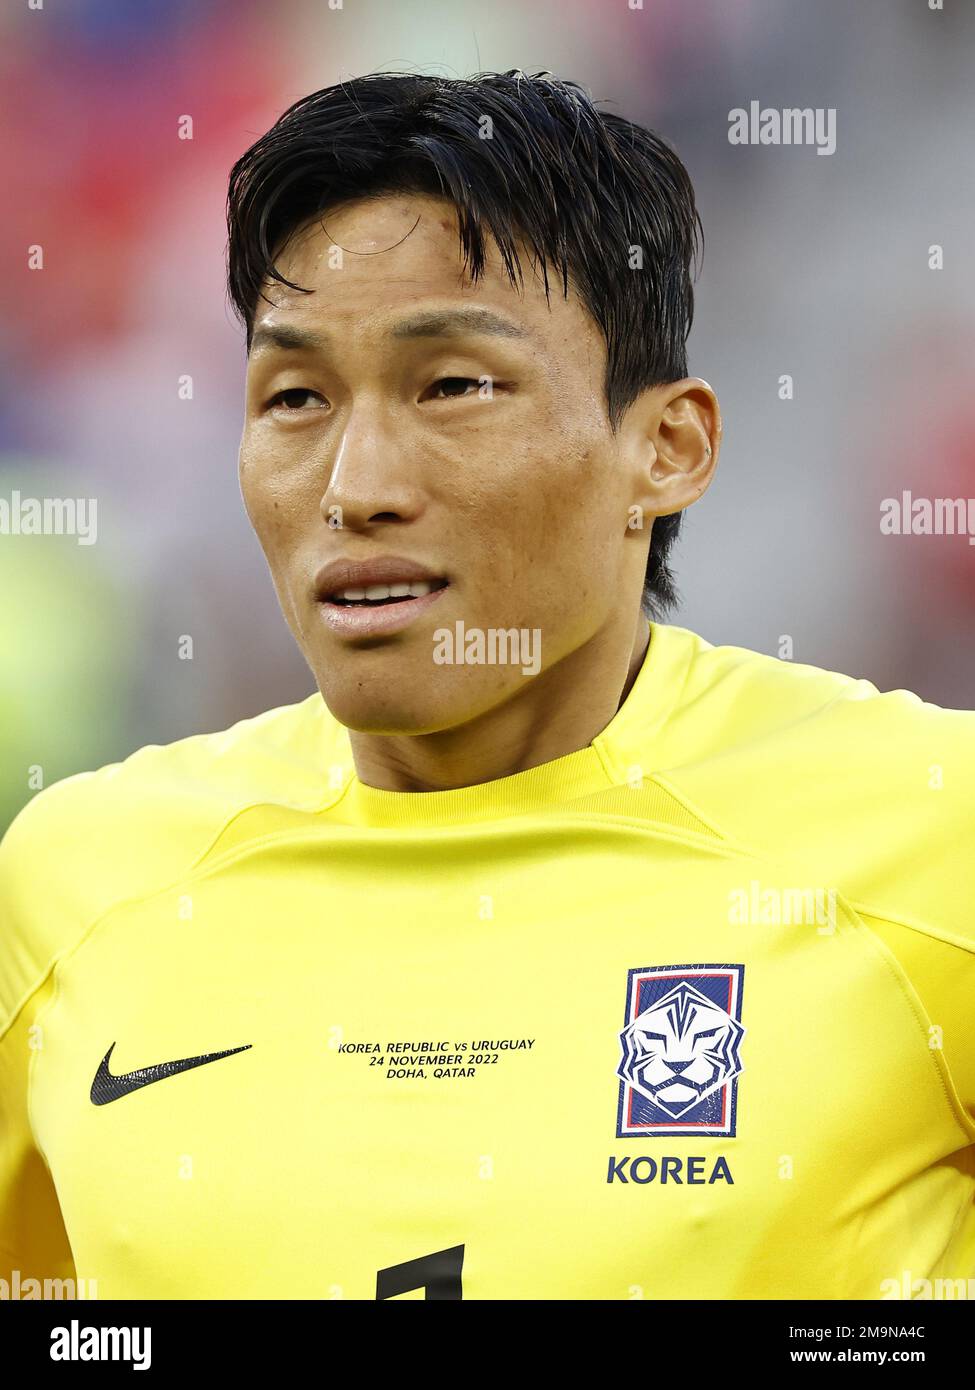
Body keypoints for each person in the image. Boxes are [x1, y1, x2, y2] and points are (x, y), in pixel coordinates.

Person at [1, 70, 972, 1302]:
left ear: (665, 449)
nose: (356, 485)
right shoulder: (74, 884)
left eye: (453, 386)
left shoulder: (936, 835)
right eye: (294, 398)